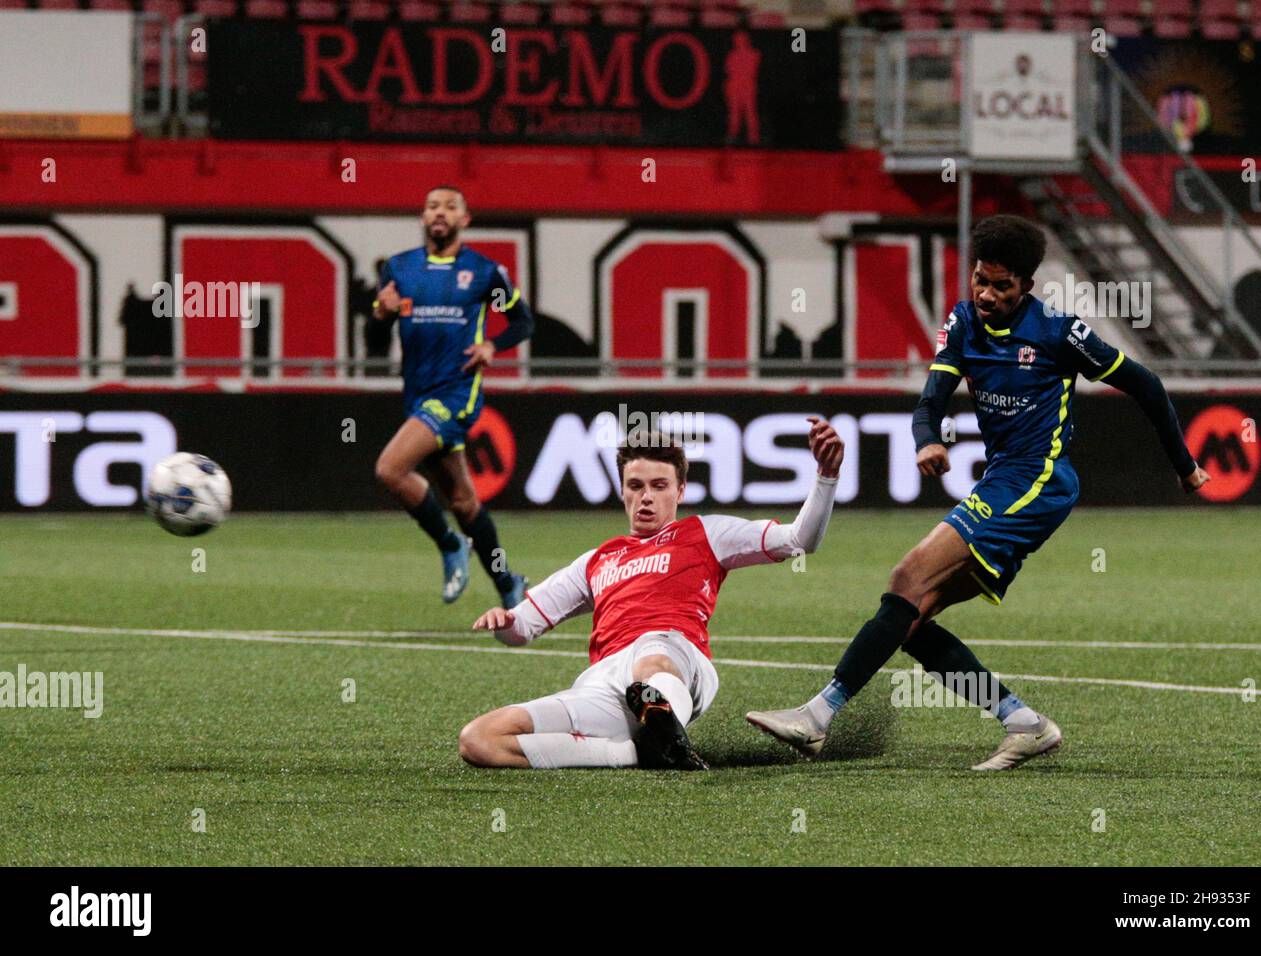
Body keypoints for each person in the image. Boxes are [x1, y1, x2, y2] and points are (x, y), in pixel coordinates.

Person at [747, 214, 1210, 771]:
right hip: (1003, 479)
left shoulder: (1060, 334)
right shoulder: (963, 322)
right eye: (980, 280)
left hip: (1039, 480)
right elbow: (930, 402)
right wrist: (926, 442)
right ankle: (1024, 723)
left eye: (1001, 286)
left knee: (905, 577)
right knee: (911, 617)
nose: (986, 294)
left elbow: (1146, 383)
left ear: (1027, 287)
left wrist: (1184, 467)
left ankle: (817, 717)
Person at [459, 418, 844, 770]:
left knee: (651, 658)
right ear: (622, 490)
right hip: (603, 682)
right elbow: (522, 627)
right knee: (480, 740)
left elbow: (799, 540)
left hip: (675, 656)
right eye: (636, 486)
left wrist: (826, 477)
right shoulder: (596, 561)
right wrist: (504, 622)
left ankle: (662, 720)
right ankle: (635, 750)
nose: (646, 497)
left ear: (680, 490)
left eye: (659, 486)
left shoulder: (706, 533)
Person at [372, 186, 535, 605]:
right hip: (417, 394)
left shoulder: (483, 272)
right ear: (423, 218)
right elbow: (375, 332)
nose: (439, 213)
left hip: (456, 392)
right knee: (463, 501)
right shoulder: (399, 268)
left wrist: (492, 346)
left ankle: (449, 544)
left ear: (465, 220)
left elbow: (522, 320)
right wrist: (380, 313)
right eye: (432, 207)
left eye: (450, 207)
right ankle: (507, 583)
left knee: (390, 469)